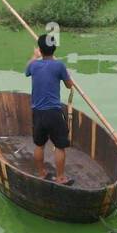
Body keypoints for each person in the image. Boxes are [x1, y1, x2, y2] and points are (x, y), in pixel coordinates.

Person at [24, 32, 75, 185]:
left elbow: (27, 69)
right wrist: (67, 75)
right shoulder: (59, 65)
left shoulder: (34, 65)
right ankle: (60, 178)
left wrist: (34, 56)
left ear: (40, 49)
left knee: (39, 145)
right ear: (54, 49)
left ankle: (41, 173)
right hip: (53, 112)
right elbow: (69, 85)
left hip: (38, 113)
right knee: (60, 146)